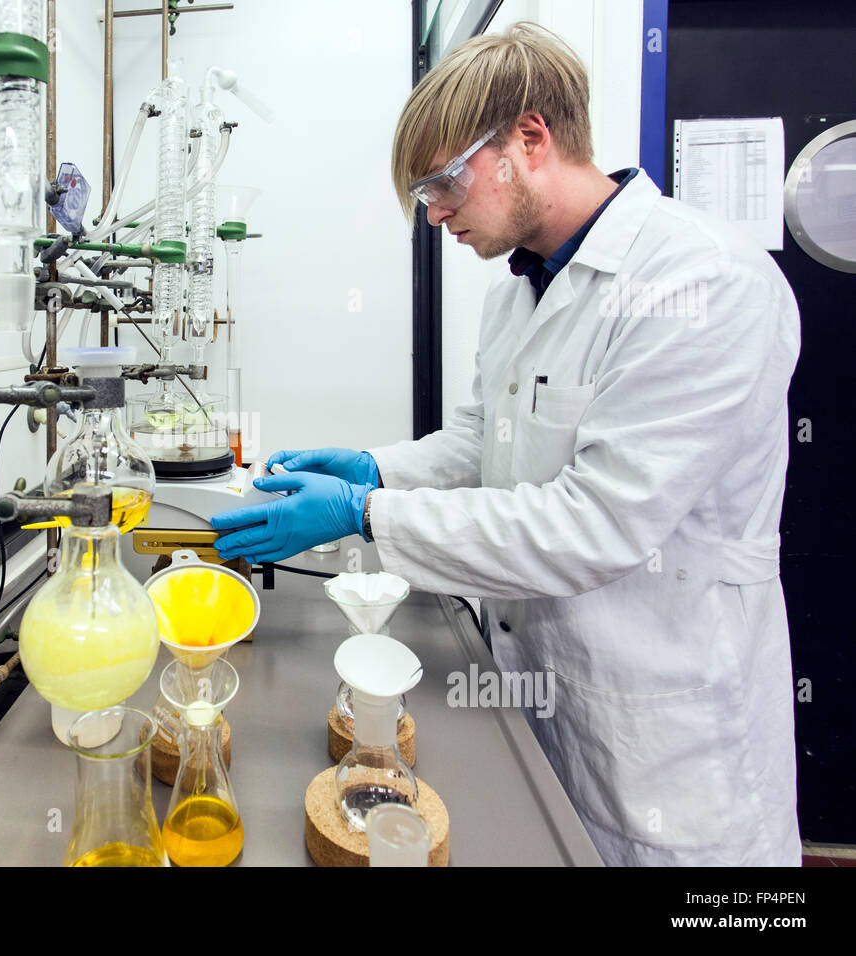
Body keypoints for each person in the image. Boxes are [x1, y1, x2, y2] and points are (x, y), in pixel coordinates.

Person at [210, 22, 801, 866]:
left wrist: (366, 514)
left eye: (443, 183)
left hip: (672, 747)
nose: (435, 213)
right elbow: (483, 447)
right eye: (423, 195)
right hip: (541, 696)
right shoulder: (515, 298)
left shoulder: (705, 283)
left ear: (531, 137)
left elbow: (596, 525)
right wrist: (378, 468)